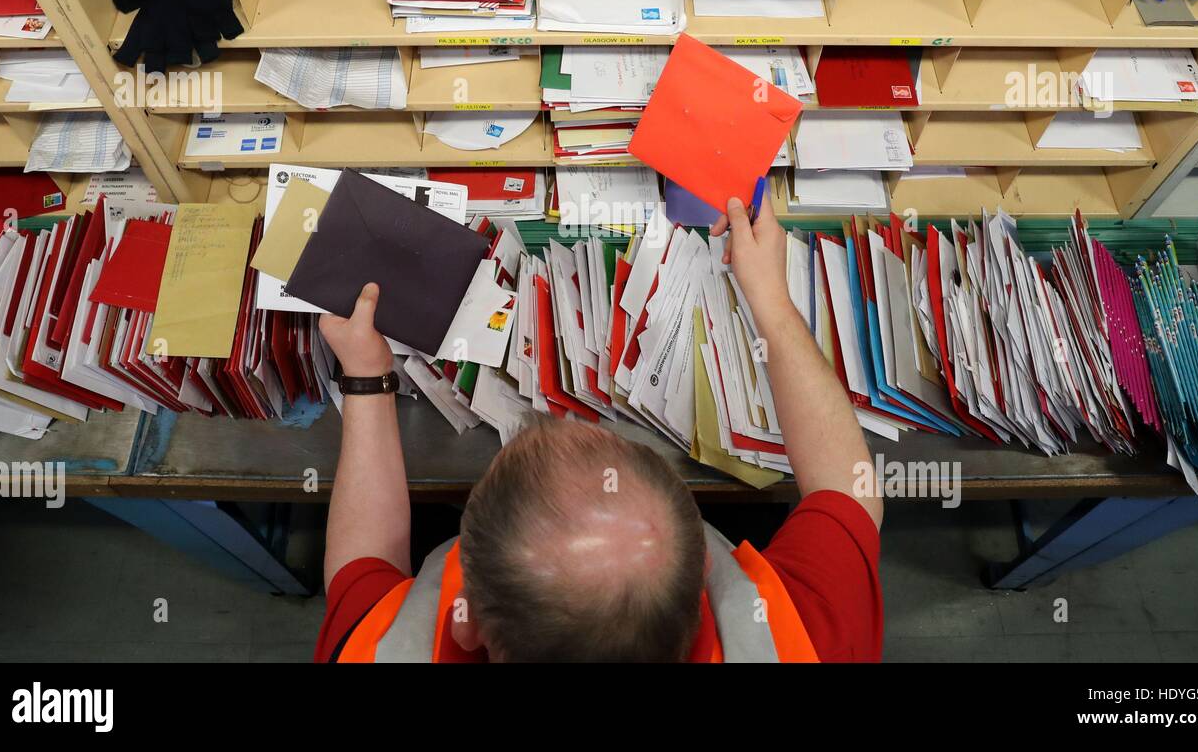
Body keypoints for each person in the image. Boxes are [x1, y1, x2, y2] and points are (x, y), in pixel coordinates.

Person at [313, 192, 883, 663]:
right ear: (700, 583)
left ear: (471, 628)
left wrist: (365, 377)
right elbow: (850, 487)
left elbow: (364, 574)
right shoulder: (804, 641)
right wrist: (771, 302)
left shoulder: (375, 651)